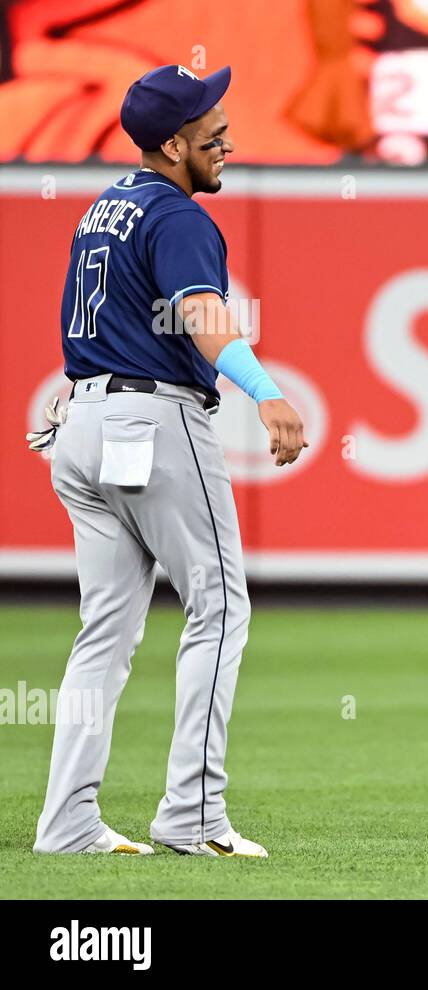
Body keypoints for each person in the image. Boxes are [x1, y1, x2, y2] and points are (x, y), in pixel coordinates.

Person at [28, 64, 307, 858]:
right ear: (171, 143)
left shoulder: (103, 207)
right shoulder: (177, 215)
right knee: (221, 608)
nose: (225, 138)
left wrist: (86, 402)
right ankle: (193, 814)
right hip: (153, 418)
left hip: (82, 419)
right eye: (209, 129)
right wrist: (266, 391)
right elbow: (200, 313)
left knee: (103, 633)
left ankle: (69, 821)